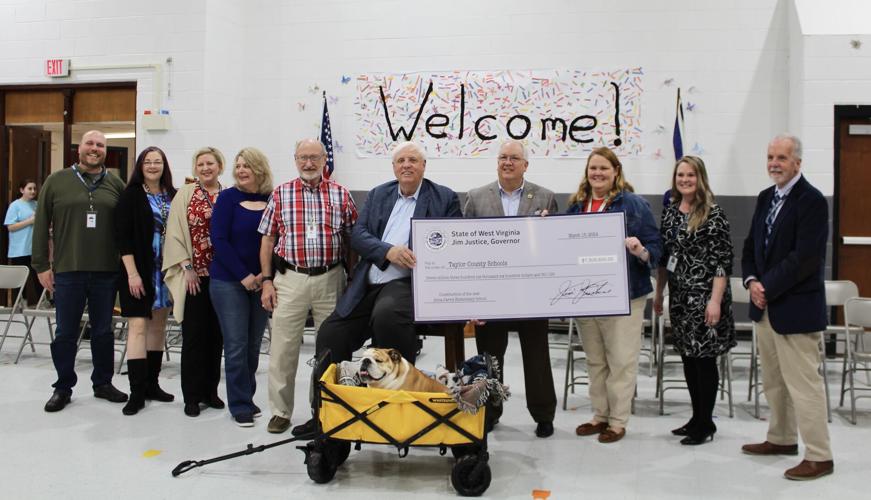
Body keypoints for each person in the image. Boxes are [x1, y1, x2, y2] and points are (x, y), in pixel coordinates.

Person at [292, 140, 461, 439]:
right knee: (331, 333)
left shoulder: (444, 198)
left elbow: (452, 240)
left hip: (409, 283)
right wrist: (387, 251)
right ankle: (326, 414)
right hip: (369, 281)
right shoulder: (379, 194)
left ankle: (397, 411)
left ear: (424, 166)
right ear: (394, 167)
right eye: (401, 161)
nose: (406, 165)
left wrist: (410, 252)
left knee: (387, 316)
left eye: (413, 160)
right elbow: (358, 235)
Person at [740, 134, 833, 480]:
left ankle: (820, 456)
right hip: (765, 308)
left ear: (797, 162)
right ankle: (780, 438)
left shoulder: (811, 201)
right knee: (774, 382)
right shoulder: (766, 197)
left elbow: (805, 258)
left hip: (795, 308)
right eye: (770, 157)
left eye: (781, 157)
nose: (774, 163)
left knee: (804, 386)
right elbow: (751, 247)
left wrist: (767, 286)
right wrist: (751, 281)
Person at [258, 139, 358, 434]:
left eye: (315, 157)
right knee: (283, 349)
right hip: (290, 279)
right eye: (303, 157)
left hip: (331, 278)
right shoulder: (281, 193)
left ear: (325, 159)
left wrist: (351, 277)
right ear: (295, 160)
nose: (309, 163)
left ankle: (325, 409)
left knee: (330, 349)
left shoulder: (340, 194)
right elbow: (267, 239)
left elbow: (354, 238)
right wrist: (266, 281)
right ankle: (280, 411)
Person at [462, 139, 557, 438]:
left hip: (532, 293)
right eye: (503, 157)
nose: (507, 162)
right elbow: (464, 248)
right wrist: (471, 297)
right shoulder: (476, 197)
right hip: (491, 293)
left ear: (525, 165)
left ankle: (543, 415)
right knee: (490, 357)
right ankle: (490, 412)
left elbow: (554, 245)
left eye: (514, 158)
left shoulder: (545, 197)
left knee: (537, 356)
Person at [566, 146, 661, 443]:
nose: (598, 173)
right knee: (595, 360)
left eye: (604, 168)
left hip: (626, 295)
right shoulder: (577, 205)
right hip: (587, 295)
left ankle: (618, 421)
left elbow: (655, 247)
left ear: (616, 172)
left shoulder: (633, 204)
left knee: (621, 360)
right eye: (593, 168)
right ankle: (600, 415)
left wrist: (640, 251)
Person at [32, 130, 128, 412]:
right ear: (79, 148)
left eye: (100, 145)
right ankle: (63, 387)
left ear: (105, 151)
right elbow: (40, 225)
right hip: (67, 270)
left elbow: (126, 226)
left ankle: (103, 383)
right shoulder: (57, 181)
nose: (94, 148)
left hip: (106, 271)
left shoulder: (115, 183)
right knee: (65, 332)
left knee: (102, 331)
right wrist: (40, 266)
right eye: (90, 143)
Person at [653, 156, 736, 445]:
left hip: (705, 300)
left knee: (704, 361)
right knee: (688, 358)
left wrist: (715, 301)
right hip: (679, 300)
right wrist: (660, 292)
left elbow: (722, 262)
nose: (685, 180)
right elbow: (665, 258)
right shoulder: (671, 212)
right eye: (680, 175)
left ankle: (706, 422)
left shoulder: (714, 213)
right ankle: (696, 417)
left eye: (690, 175)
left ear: (700, 178)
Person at [209, 147, 273, 427]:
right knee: (236, 345)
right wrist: (245, 275)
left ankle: (247, 396)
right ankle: (239, 405)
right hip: (228, 281)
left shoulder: (272, 199)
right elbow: (219, 240)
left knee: (253, 346)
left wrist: (263, 276)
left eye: (246, 166)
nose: (241, 170)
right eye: (238, 166)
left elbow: (275, 240)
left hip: (263, 282)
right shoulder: (227, 199)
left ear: (259, 169)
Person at [164, 147, 226, 417]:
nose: (205, 168)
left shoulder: (228, 196)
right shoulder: (185, 194)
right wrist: (187, 268)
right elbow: (175, 232)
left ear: (219, 166)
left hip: (224, 278)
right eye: (200, 164)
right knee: (193, 337)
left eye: (210, 163)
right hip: (195, 278)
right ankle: (191, 395)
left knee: (216, 337)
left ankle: (210, 391)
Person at [115, 147, 177, 415]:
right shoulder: (131, 195)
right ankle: (136, 391)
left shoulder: (173, 195)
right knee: (138, 327)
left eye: (158, 162)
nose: (153, 166)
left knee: (158, 328)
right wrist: (132, 273)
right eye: (148, 162)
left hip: (164, 271)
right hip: (138, 271)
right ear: (140, 166)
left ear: (165, 166)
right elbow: (122, 237)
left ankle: (153, 384)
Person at [5, 179, 43, 305]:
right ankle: (21, 303)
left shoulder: (37, 204)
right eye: (29, 188)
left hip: (34, 247)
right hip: (19, 249)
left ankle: (42, 303)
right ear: (22, 190)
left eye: (34, 189)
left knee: (38, 276)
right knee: (21, 279)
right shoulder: (15, 205)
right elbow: (10, 227)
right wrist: (29, 221)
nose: (33, 191)